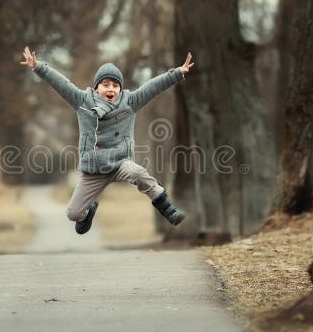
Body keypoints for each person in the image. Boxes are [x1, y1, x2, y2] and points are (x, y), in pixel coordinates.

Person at [20, 46, 194, 234]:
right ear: (96, 87)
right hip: (93, 169)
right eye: (105, 84)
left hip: (120, 162)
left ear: (120, 88)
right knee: (73, 214)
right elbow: (61, 84)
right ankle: (89, 210)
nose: (110, 89)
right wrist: (38, 67)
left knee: (137, 171)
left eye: (115, 85)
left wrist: (177, 73)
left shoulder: (130, 102)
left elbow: (152, 87)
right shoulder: (82, 102)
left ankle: (169, 211)